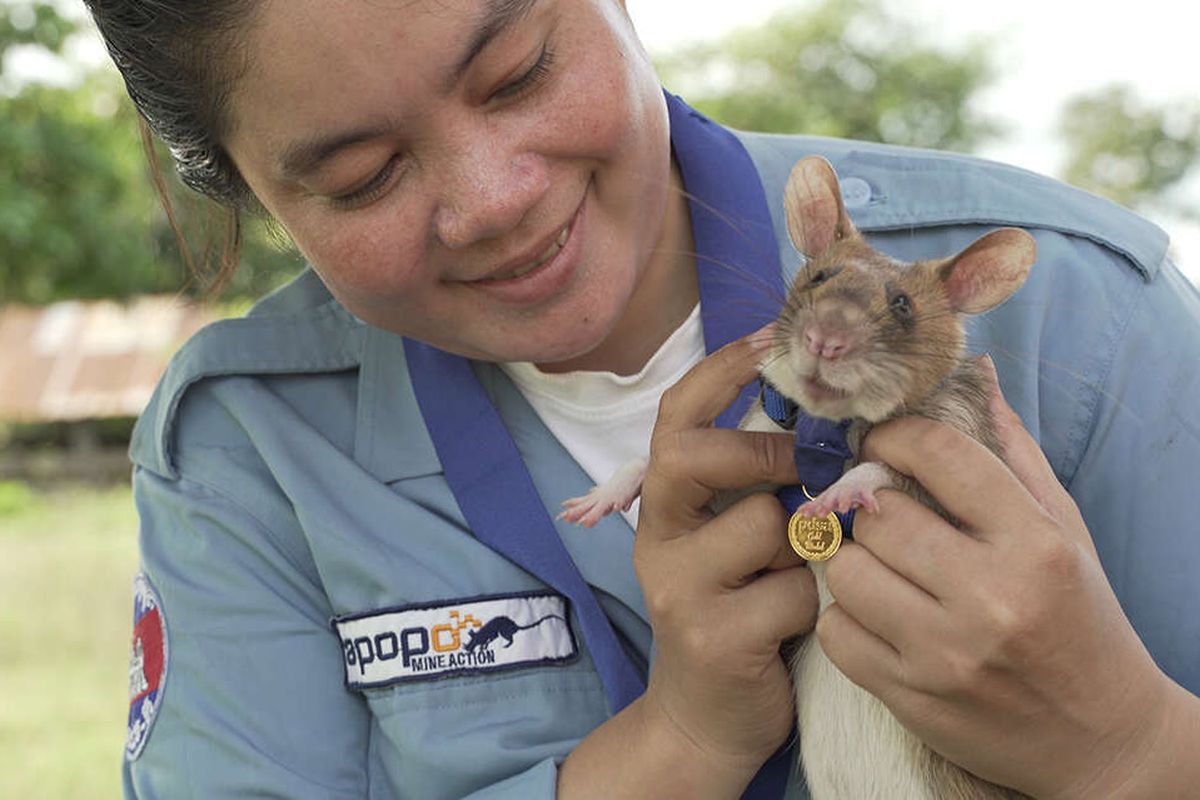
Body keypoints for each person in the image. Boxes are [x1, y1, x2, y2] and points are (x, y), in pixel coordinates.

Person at [88, 1, 1200, 797]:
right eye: (361, 177)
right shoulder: (245, 445)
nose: (494, 202)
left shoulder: (1084, 316)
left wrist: (1130, 749)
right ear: (244, 189)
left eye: (518, 70)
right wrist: (676, 744)